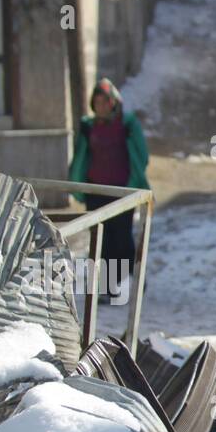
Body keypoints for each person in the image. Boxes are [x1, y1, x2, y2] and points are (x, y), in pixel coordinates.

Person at [67, 79, 150, 301]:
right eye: (97, 102)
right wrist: (77, 183)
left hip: (121, 191)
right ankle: (106, 288)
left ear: (114, 103)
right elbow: (81, 157)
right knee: (101, 241)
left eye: (105, 102)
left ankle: (130, 280)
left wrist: (134, 184)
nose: (101, 106)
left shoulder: (127, 125)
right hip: (96, 192)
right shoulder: (89, 126)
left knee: (122, 239)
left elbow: (141, 156)